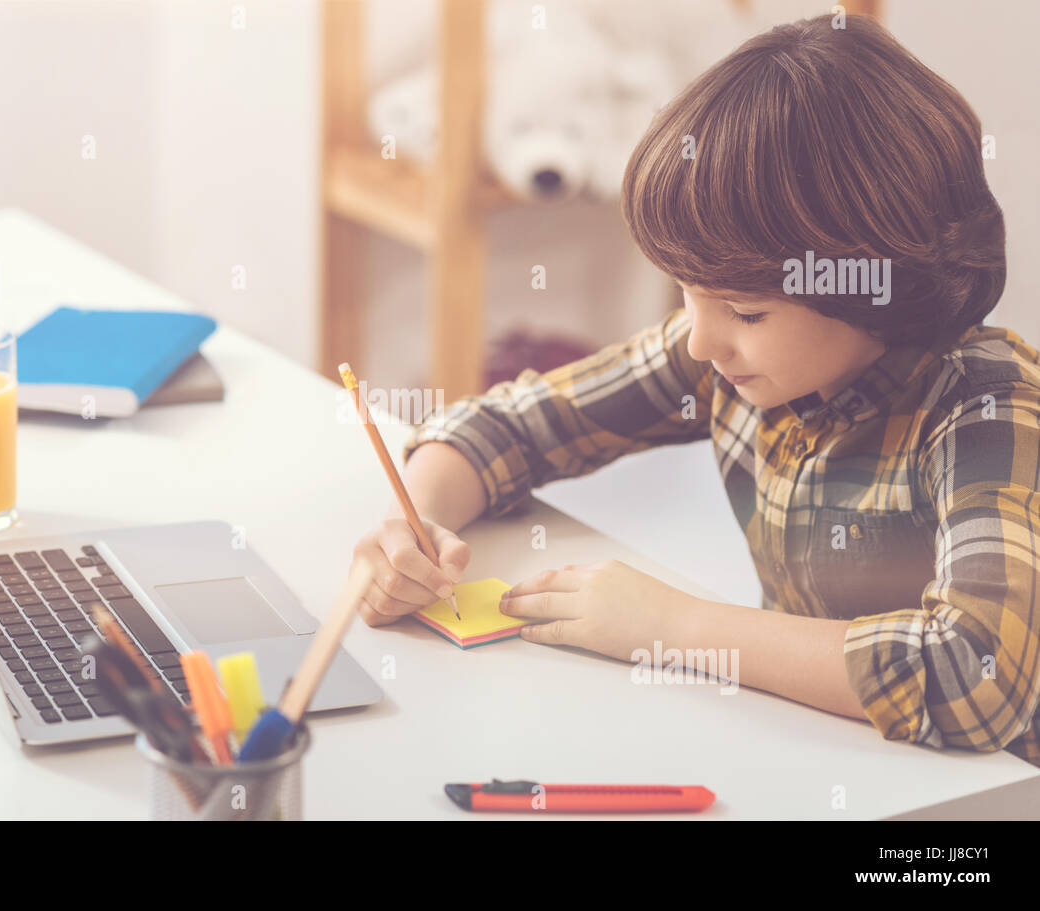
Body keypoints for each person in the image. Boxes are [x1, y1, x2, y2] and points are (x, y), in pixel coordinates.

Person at [349, 13, 1040, 768]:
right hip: (828, 755)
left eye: (745, 311)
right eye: (685, 292)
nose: (703, 341)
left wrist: (676, 627)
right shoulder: (723, 354)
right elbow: (512, 427)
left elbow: (978, 677)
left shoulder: (985, 405)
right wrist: (409, 525)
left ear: (875, 286)